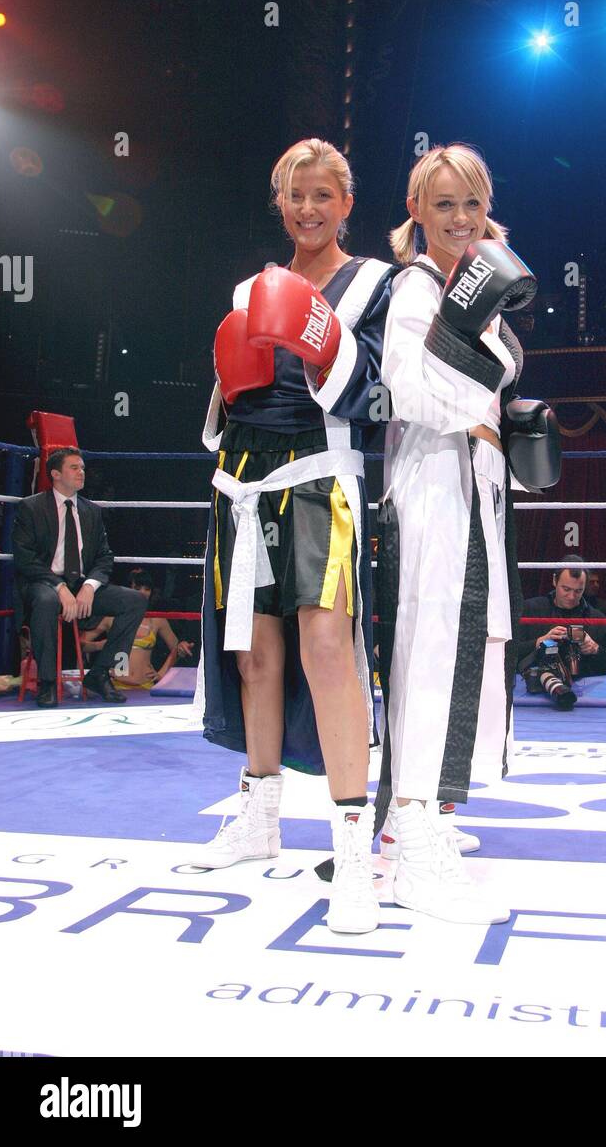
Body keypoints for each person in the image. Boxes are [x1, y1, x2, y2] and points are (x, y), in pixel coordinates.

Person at [192, 137, 394, 937]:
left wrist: (322, 344)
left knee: (327, 646)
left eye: (322, 195)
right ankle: (258, 813)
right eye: (293, 195)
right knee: (254, 652)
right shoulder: (251, 286)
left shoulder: (378, 282)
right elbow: (231, 394)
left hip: (322, 473)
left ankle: (351, 849)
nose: (307, 209)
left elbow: (380, 395)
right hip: (243, 476)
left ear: (347, 202)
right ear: (278, 203)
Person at [377, 142, 558, 923]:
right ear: (417, 210)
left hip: (478, 481)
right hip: (432, 480)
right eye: (444, 204)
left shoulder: (463, 285)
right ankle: (411, 836)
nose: (460, 218)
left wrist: (514, 430)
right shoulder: (415, 287)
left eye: (472, 205)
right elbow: (408, 390)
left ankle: (424, 817)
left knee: (468, 652)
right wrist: (476, 347)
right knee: (430, 651)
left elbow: (485, 389)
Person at [12, 448, 146, 708]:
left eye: (82, 468)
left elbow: (105, 557)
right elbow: (25, 559)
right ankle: (48, 682)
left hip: (81, 586)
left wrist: (89, 586)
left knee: (134, 601)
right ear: (55, 474)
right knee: (47, 599)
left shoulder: (91, 512)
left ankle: (99, 674)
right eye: (74, 467)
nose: (81, 472)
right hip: (43, 584)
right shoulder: (31, 508)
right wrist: (59, 586)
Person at [518, 557, 606, 708]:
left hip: (585, 699)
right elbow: (507, 653)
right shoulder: (530, 610)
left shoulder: (597, 619)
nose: (571, 597)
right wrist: (539, 642)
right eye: (566, 589)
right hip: (532, 694)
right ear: (554, 581)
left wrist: (595, 650)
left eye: (578, 591)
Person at [80, 571, 194, 688]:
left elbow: (176, 649)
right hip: (116, 684)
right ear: (128, 589)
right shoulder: (111, 618)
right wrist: (101, 645)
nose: (143, 592)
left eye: (147, 589)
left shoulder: (157, 620)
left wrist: (161, 674)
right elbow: (80, 644)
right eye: (138, 588)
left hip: (146, 685)